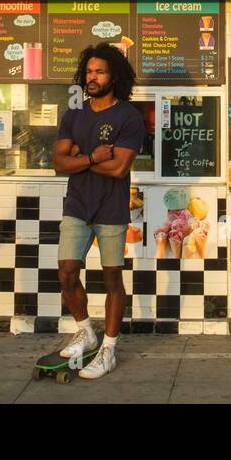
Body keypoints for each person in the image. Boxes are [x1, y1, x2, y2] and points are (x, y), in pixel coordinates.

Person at [52, 43, 142, 379]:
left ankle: (108, 350)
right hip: (77, 204)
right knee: (66, 271)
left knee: (111, 278)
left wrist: (78, 159)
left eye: (100, 71)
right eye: (89, 71)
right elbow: (58, 163)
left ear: (114, 76)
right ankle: (86, 331)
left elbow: (119, 169)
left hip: (111, 207)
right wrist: (92, 158)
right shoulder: (74, 114)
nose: (92, 77)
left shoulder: (128, 116)